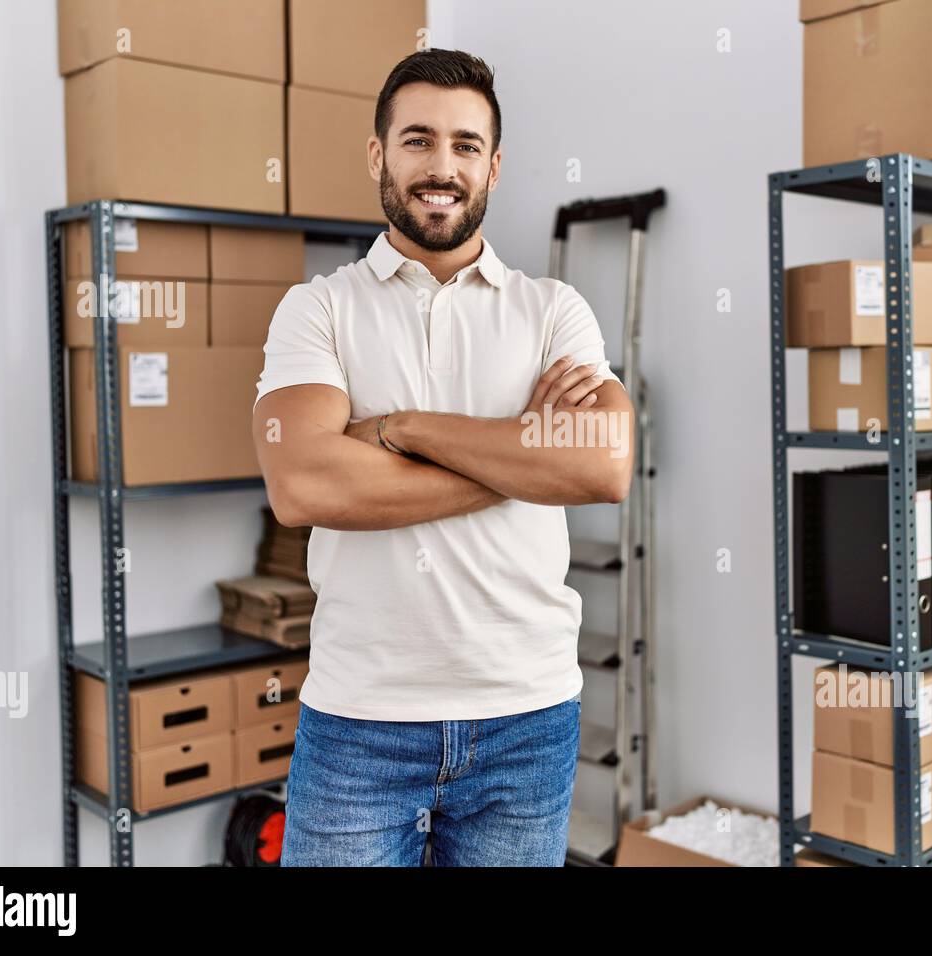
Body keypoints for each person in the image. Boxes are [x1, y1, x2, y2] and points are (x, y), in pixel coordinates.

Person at [251, 48, 635, 866]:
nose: (442, 166)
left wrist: (402, 429)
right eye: (418, 140)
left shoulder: (552, 311)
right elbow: (302, 481)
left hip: (525, 721)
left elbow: (600, 465)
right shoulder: (317, 310)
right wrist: (517, 457)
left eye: (466, 146)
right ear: (378, 154)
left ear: (493, 166)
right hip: (360, 723)